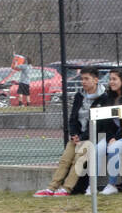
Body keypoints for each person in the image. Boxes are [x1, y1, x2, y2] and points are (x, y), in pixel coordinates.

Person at [35, 67, 105, 196]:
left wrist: (83, 137)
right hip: (78, 137)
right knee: (65, 159)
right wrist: (74, 135)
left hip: (94, 137)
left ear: (96, 80)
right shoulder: (79, 96)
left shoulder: (104, 97)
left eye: (86, 79)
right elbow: (73, 118)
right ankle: (51, 188)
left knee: (78, 158)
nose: (83, 82)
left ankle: (66, 188)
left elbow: (100, 123)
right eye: (82, 79)